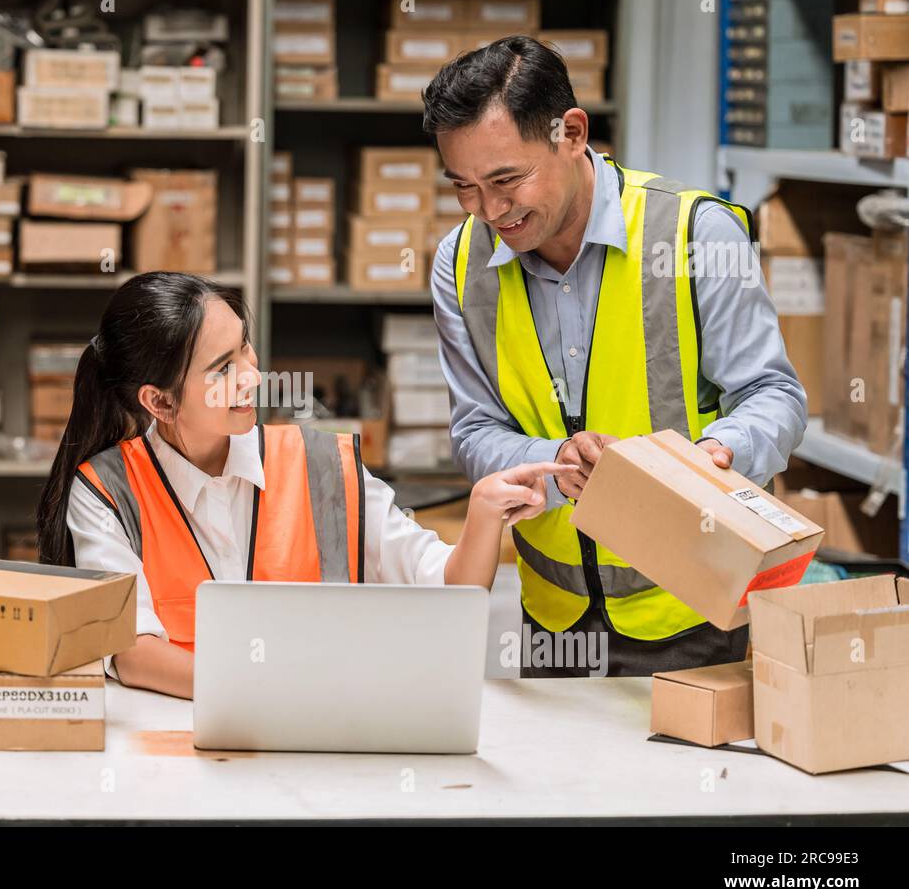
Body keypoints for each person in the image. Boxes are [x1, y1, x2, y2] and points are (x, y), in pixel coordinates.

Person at [422, 35, 807, 677]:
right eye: (464, 187)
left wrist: (706, 461)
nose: (490, 211)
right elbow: (474, 431)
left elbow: (773, 395)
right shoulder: (460, 266)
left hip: (695, 608)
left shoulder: (695, 233)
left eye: (507, 180)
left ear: (572, 132)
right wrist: (551, 461)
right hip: (554, 619)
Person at [35, 271, 573, 698]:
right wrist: (267, 692)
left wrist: (482, 514)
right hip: (172, 741)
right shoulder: (106, 490)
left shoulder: (321, 465)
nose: (251, 375)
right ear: (160, 401)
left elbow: (453, 593)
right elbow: (131, 649)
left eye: (246, 348)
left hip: (317, 736)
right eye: (221, 369)